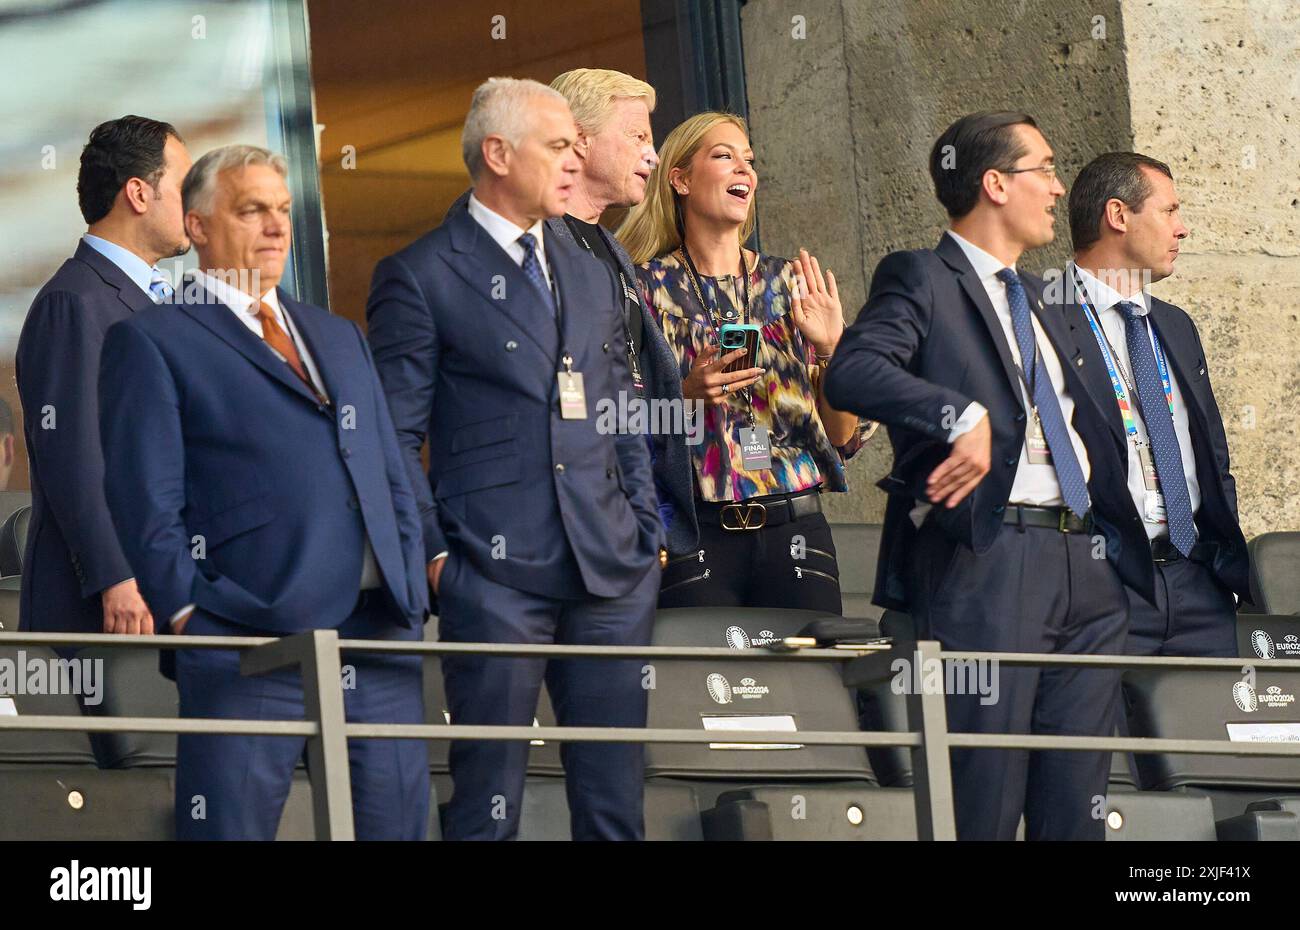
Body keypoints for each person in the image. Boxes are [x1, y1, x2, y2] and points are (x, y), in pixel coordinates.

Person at [824, 111, 1153, 840]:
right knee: (984, 804)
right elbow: (852, 371)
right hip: (990, 560)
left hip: (1087, 567)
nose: (1058, 187)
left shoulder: (1042, 298)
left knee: (1077, 810)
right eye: (1044, 168)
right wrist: (956, 414)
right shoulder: (921, 276)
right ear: (996, 183)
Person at [99, 145, 430, 841]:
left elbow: (386, 469)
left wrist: (413, 570)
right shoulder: (152, 340)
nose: (277, 228)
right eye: (252, 210)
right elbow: (143, 497)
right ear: (197, 226)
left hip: (379, 637)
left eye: (283, 211)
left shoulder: (338, 337)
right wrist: (189, 612)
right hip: (248, 635)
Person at [366, 77, 664, 841]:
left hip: (610, 573)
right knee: (484, 807)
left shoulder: (592, 263)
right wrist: (435, 558)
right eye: (558, 146)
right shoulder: (421, 273)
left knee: (615, 811)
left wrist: (645, 529)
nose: (574, 162)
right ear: (497, 154)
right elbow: (392, 438)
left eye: (575, 145)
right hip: (491, 576)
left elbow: (620, 404)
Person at [619, 111, 867, 613]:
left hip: (797, 529)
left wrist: (832, 349)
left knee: (811, 690)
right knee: (710, 691)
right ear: (680, 179)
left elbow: (843, 441)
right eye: (724, 156)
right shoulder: (641, 289)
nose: (744, 171)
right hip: (695, 533)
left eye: (749, 161)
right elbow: (615, 422)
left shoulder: (792, 285)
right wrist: (683, 393)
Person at [444, 67, 699, 557]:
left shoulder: (612, 249)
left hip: (621, 524)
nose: (653, 154)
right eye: (638, 136)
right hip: (533, 526)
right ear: (579, 140)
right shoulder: (500, 221)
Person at [1059, 152, 1250, 656]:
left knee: (1215, 731)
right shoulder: (1043, 316)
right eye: (1169, 211)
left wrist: (1219, 568)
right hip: (1101, 584)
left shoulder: (1176, 325)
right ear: (1118, 216)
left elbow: (1211, 455)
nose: (1182, 229)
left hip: (1197, 586)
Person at [15, 116, 190, 637]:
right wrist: (118, 574)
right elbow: (72, 453)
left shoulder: (165, 301)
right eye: (185, 185)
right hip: (109, 608)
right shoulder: (74, 302)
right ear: (139, 193)